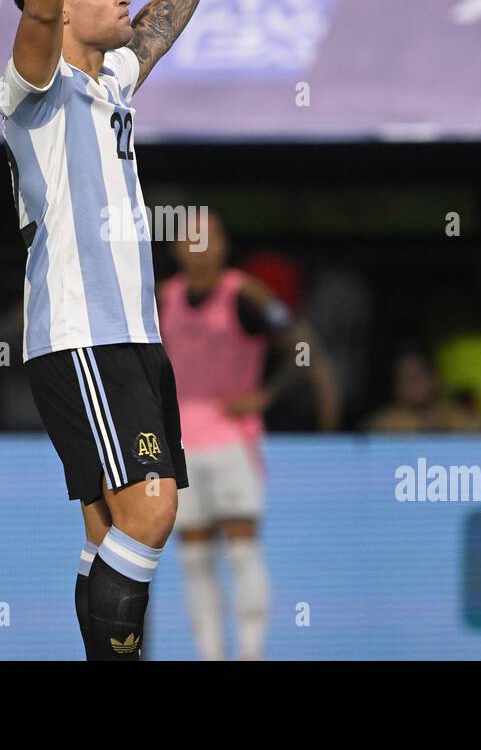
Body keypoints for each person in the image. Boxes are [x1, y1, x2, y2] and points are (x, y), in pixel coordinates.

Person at [0, 0, 222, 660]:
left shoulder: (111, 81)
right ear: (58, 11)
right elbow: (38, 11)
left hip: (132, 337)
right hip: (81, 334)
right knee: (153, 511)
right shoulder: (33, 85)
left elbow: (158, 26)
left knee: (110, 533)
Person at [158, 209, 338, 660]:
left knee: (242, 552)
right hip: (180, 446)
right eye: (190, 239)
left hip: (232, 442)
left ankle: (251, 654)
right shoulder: (164, 298)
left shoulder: (247, 294)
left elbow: (299, 340)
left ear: (223, 245)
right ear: (176, 247)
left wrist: (270, 394)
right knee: (194, 559)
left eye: (210, 237)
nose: (199, 247)